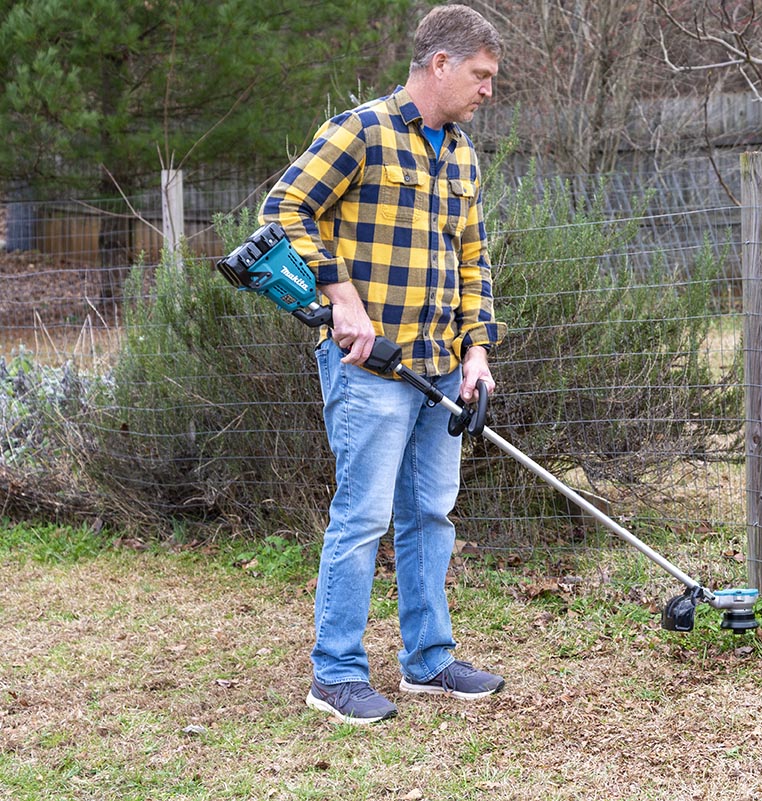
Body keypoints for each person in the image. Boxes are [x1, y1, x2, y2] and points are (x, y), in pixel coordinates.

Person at [260, 4, 507, 725]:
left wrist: (477, 352)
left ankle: (428, 660)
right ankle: (335, 674)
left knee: (430, 514)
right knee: (362, 516)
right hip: (371, 368)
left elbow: (472, 259)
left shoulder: (461, 154)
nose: (488, 89)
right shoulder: (360, 131)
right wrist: (341, 297)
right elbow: (285, 209)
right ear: (440, 63)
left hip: (440, 372)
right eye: (480, 74)